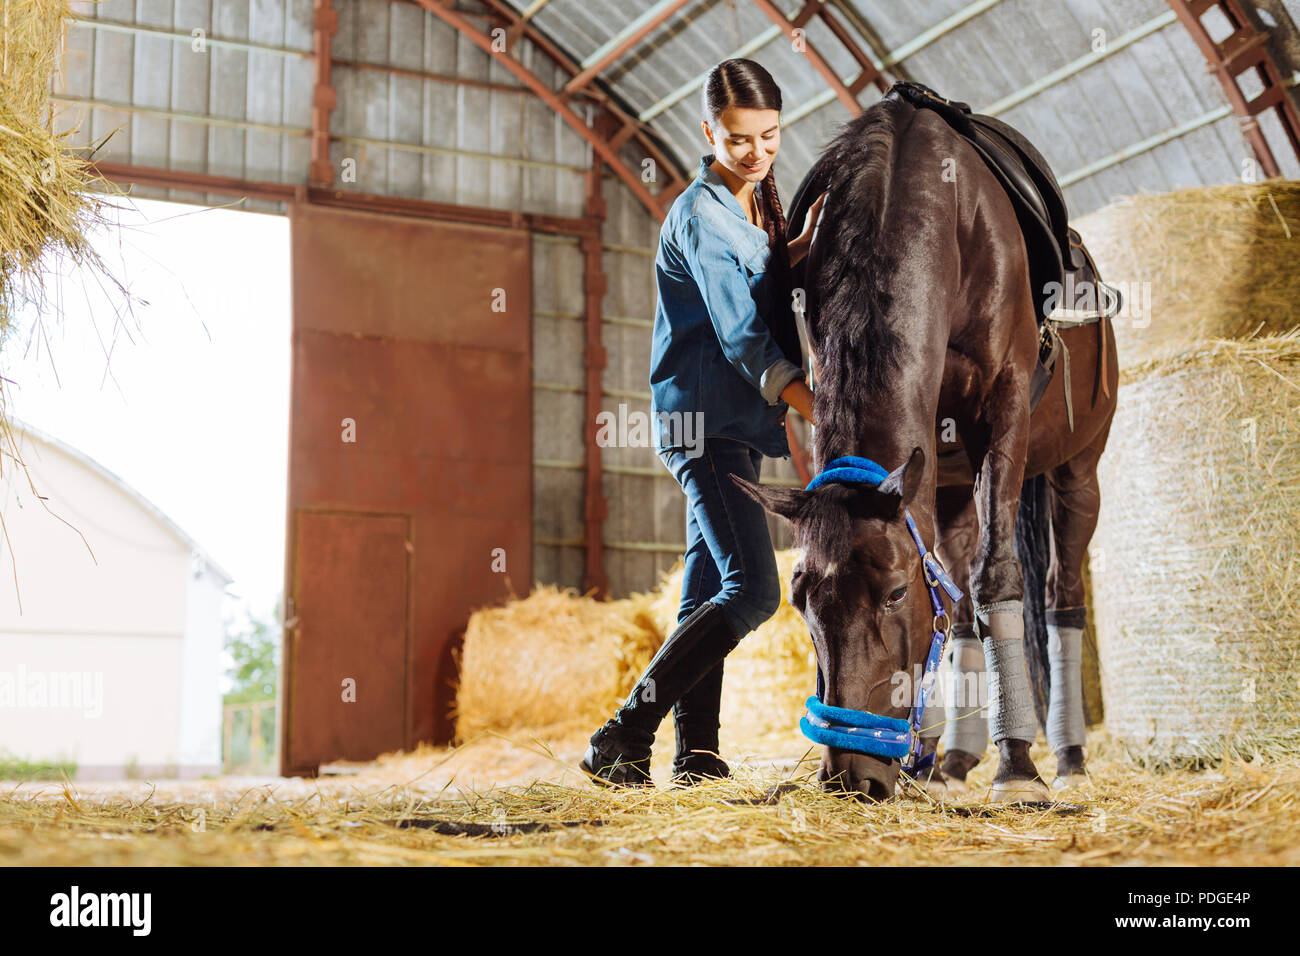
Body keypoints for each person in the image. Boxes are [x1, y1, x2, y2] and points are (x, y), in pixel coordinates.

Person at [580, 58, 825, 787]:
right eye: (740, 139)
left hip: (734, 428)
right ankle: (622, 734)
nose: (757, 153)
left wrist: (806, 243)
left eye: (771, 137)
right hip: (702, 425)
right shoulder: (700, 214)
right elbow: (744, 335)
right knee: (752, 590)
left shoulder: (754, 207)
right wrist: (821, 409)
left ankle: (697, 755)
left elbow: (765, 272)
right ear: (708, 130)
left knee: (702, 594)